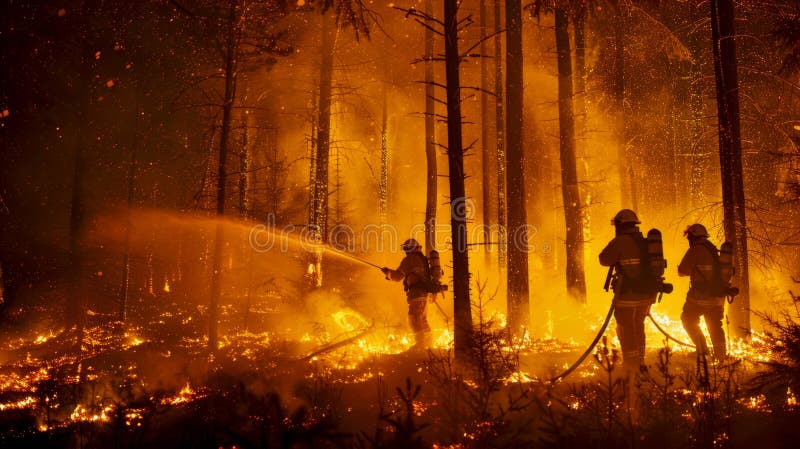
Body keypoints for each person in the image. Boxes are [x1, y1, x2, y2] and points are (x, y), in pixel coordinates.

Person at [599, 209, 658, 374]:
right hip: (646, 296)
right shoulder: (645, 241)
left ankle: (631, 367)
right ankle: (640, 362)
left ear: (620, 225)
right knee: (639, 326)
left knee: (626, 329)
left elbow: (603, 259)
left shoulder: (620, 241)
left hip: (628, 295)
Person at [678, 223, 727, 362]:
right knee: (715, 325)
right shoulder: (711, 248)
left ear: (693, 236)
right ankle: (721, 356)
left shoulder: (695, 250)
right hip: (717, 296)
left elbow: (682, 271)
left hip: (700, 297)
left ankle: (702, 350)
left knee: (688, 319)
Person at [382, 239, 432, 350]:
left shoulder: (409, 259)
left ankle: (421, 345)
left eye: (406, 248)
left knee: (414, 319)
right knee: (422, 320)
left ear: (410, 249)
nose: (405, 251)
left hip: (416, 294)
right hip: (425, 295)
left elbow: (397, 277)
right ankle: (429, 344)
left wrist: (388, 273)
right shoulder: (423, 259)